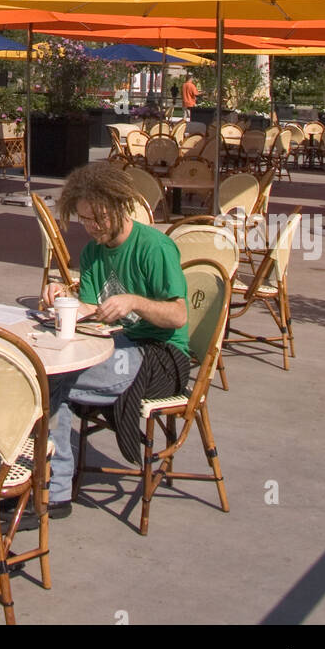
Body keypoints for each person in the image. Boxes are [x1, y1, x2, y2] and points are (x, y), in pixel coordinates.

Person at [39, 162, 190, 519]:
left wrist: (135, 301)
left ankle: (54, 490)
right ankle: (34, 477)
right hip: (117, 345)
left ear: (120, 205)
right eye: (85, 219)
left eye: (99, 218)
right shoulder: (94, 251)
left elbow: (179, 315)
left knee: (50, 382)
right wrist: (63, 298)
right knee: (37, 370)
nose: (92, 227)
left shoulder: (155, 247)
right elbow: (92, 307)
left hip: (160, 354)